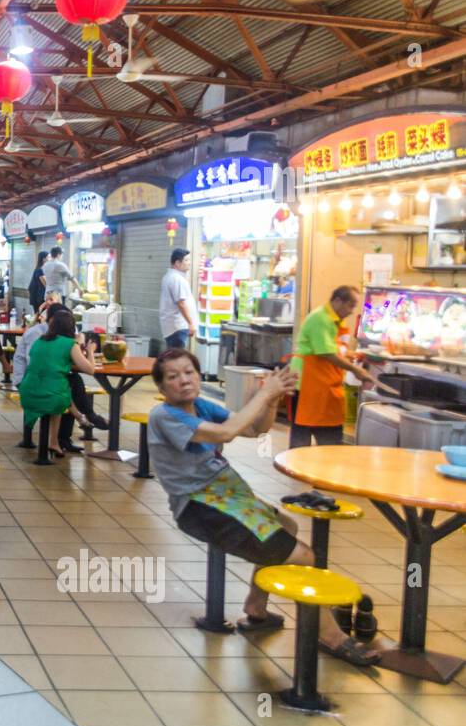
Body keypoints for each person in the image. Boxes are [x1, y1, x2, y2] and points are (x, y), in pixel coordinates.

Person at [148, 348, 378, 665]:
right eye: (173, 377)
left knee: (288, 527)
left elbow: (256, 429)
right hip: (200, 508)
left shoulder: (201, 406)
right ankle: (330, 636)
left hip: (227, 497)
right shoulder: (164, 416)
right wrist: (265, 394)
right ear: (162, 387)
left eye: (189, 372)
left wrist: (271, 401)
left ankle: (256, 608)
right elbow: (227, 432)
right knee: (303, 556)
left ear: (199, 375)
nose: (184, 380)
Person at [289, 285, 376, 448]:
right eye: (350, 306)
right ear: (337, 301)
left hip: (326, 384)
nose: (352, 311)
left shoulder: (336, 320)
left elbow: (333, 347)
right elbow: (326, 353)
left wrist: (350, 354)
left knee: (329, 431)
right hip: (308, 384)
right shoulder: (320, 319)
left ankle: (328, 457)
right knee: (303, 434)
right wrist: (355, 370)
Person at [19, 310, 96, 457]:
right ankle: (61, 435)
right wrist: (90, 350)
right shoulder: (69, 344)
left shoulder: (40, 341)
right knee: (61, 394)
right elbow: (90, 369)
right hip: (51, 396)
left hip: (27, 392)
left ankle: (56, 441)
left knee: (61, 389)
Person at [159, 248, 197, 350]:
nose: (189, 263)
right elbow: (181, 303)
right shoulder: (176, 279)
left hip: (174, 327)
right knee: (177, 356)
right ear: (177, 263)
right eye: (186, 260)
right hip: (178, 327)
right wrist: (190, 323)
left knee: (173, 355)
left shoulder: (170, 276)